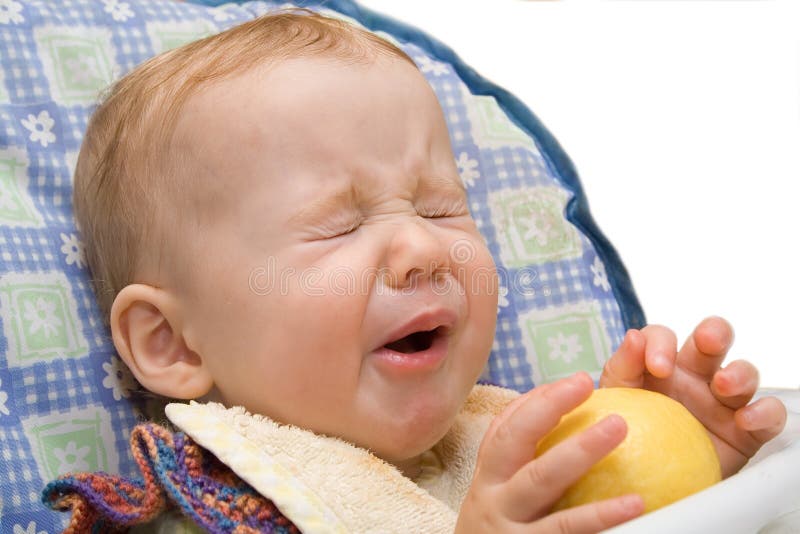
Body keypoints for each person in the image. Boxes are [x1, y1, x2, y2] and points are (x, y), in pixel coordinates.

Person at [55, 9, 786, 532]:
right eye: (340, 223)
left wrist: (694, 482)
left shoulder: (511, 441)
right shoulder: (204, 505)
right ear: (171, 343)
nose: (425, 249)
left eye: (440, 209)